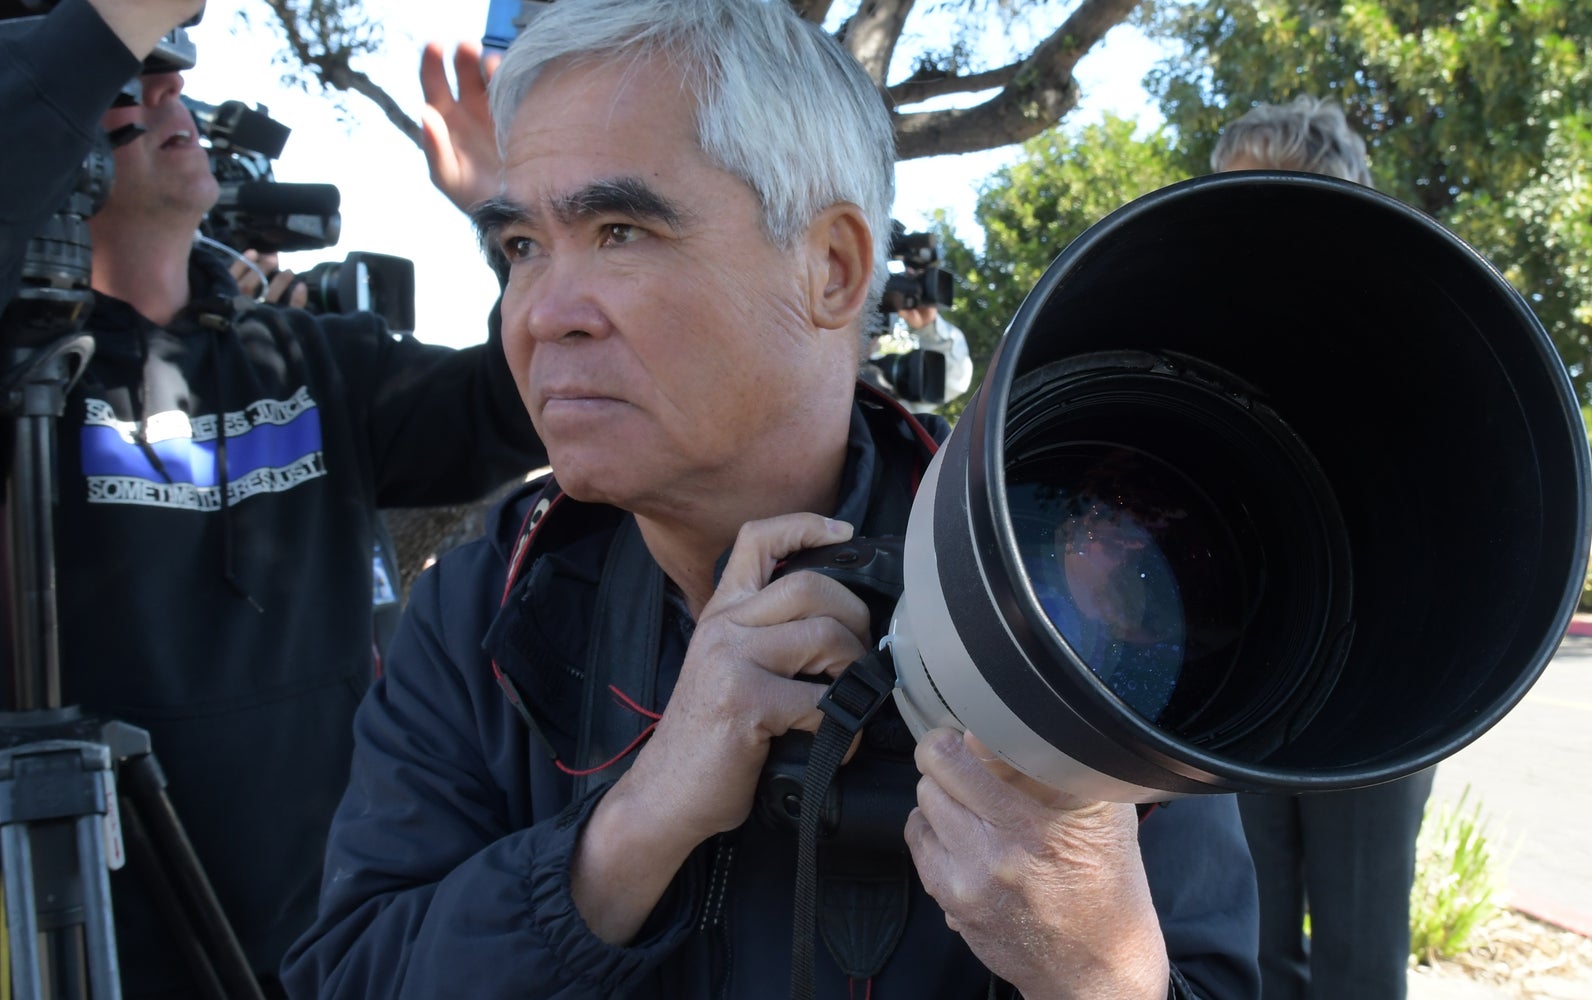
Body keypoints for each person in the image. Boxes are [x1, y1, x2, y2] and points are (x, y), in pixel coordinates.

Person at [282, 0, 1261, 996]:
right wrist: (633, 826)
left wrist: (1103, 976)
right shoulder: (487, 603)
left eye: (619, 231)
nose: (541, 315)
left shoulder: (1065, 589)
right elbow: (353, 974)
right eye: (522, 248)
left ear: (831, 268)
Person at [1, 2, 547, 996]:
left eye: (175, 74)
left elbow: (525, 403)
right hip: (98, 946)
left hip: (329, 946)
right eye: (128, 84)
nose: (175, 95)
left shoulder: (308, 358)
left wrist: (511, 221)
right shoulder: (28, 383)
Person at [1212, 94, 1438, 1000]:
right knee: (1252, 942)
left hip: (1384, 697)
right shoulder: (1200, 326)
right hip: (1246, 685)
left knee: (1359, 950)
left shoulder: (1418, 331)